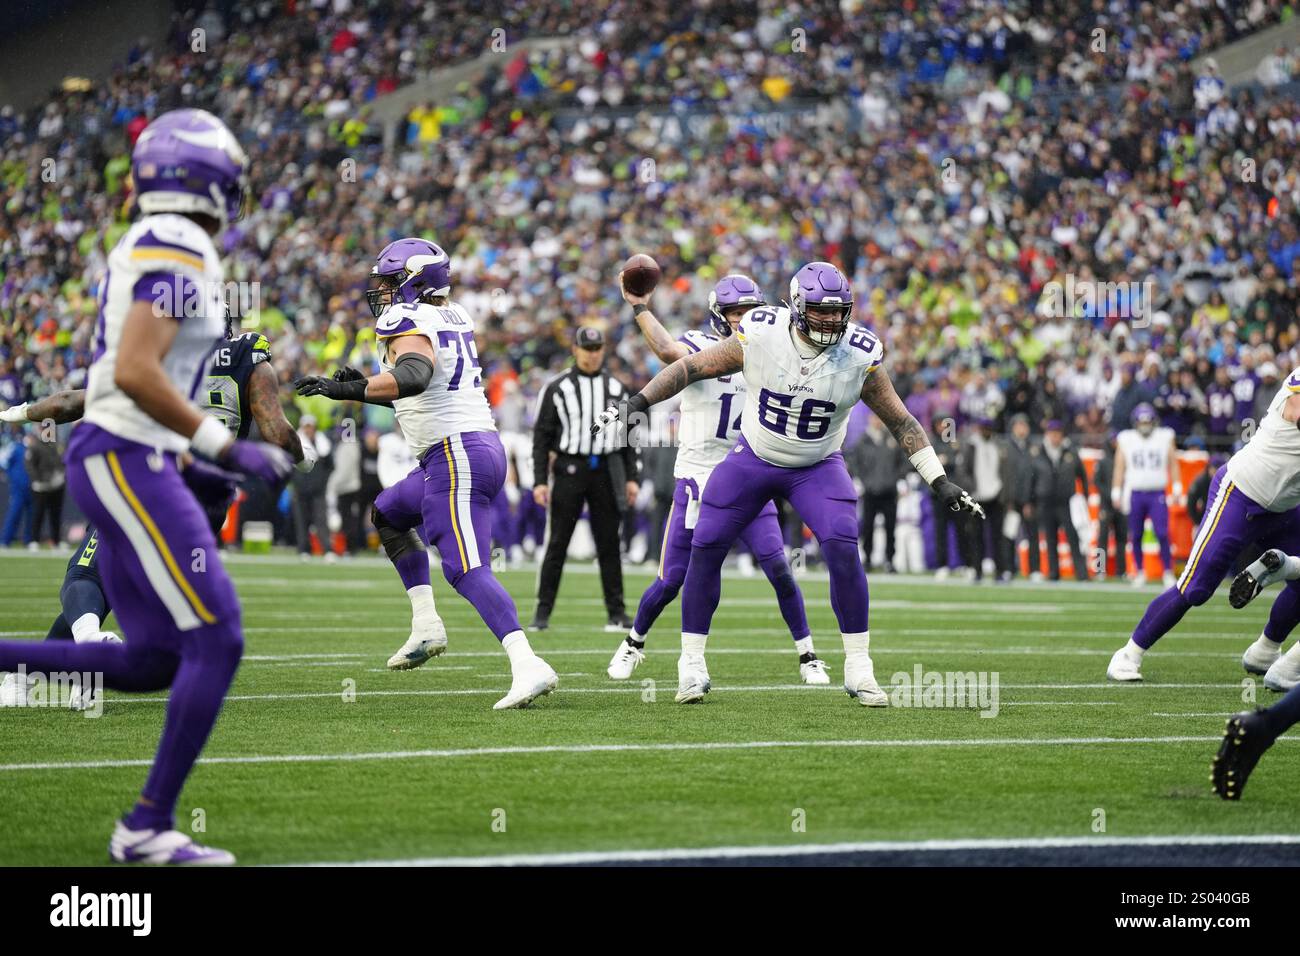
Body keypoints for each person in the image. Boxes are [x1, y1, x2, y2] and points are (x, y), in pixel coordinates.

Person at [0, 109, 295, 864]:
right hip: (126, 455)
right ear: (204, 176)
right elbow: (133, 371)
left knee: (154, 660)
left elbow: (126, 374)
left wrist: (198, 460)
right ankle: (145, 826)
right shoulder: (181, 242)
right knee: (220, 637)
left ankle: (145, 825)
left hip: (136, 453)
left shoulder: (161, 241)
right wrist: (223, 443)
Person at [594, 261, 983, 705]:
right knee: (705, 546)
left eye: (840, 313)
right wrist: (637, 402)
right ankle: (692, 664)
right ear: (797, 308)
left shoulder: (860, 354)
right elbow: (688, 369)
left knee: (840, 542)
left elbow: (902, 421)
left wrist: (940, 480)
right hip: (753, 458)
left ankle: (858, 666)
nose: (833, 321)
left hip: (817, 464)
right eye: (822, 311)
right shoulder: (762, 333)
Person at [295, 237, 556, 707]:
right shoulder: (453, 314)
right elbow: (417, 382)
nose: (384, 292)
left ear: (415, 281)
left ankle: (527, 663)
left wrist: (342, 390)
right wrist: (363, 384)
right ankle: (426, 625)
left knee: (465, 568)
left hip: (454, 454)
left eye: (392, 281)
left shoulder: (406, 318)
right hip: (469, 448)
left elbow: (414, 377)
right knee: (388, 513)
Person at [606, 273, 824, 684]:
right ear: (720, 317)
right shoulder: (702, 347)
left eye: (749, 312)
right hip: (697, 481)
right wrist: (639, 307)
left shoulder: (769, 353)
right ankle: (634, 643)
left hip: (748, 476)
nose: (743, 320)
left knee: (779, 567)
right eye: (735, 313)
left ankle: (808, 655)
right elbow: (669, 350)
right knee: (672, 580)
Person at [1106, 362, 1300, 683]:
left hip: (1286, 507)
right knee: (1196, 588)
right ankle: (1129, 654)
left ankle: (1267, 651)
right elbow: (1296, 411)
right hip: (1241, 494)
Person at [530, 325, 640, 632]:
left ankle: (617, 613)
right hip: (569, 469)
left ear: (603, 350)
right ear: (575, 350)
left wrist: (632, 477)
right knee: (557, 543)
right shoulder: (556, 387)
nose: (592, 355)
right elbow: (542, 437)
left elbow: (631, 436)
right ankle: (542, 612)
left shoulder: (618, 388)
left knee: (609, 543)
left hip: (605, 469)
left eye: (597, 349)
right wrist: (540, 480)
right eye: (587, 349)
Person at [1113, 403, 1177, 586]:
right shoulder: (1127, 439)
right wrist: (1116, 490)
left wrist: (1178, 485)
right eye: (1142, 422)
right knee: (1136, 534)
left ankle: (1167, 571)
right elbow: (1120, 466)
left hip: (1157, 492)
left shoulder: (1164, 437)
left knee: (1162, 533)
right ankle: (1140, 571)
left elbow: (1173, 462)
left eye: (1148, 421)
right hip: (1136, 493)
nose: (1145, 425)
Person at [1035, 420, 1090, 582]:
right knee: (1050, 538)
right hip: (1046, 501)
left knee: (1073, 537)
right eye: (1052, 433)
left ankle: (1081, 573)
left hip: (1067, 501)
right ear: (1047, 435)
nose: (1055, 437)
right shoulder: (1039, 451)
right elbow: (1032, 476)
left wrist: (1084, 497)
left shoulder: (1070, 451)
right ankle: (1053, 572)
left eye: (1058, 433)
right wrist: (1030, 500)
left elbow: (1082, 476)